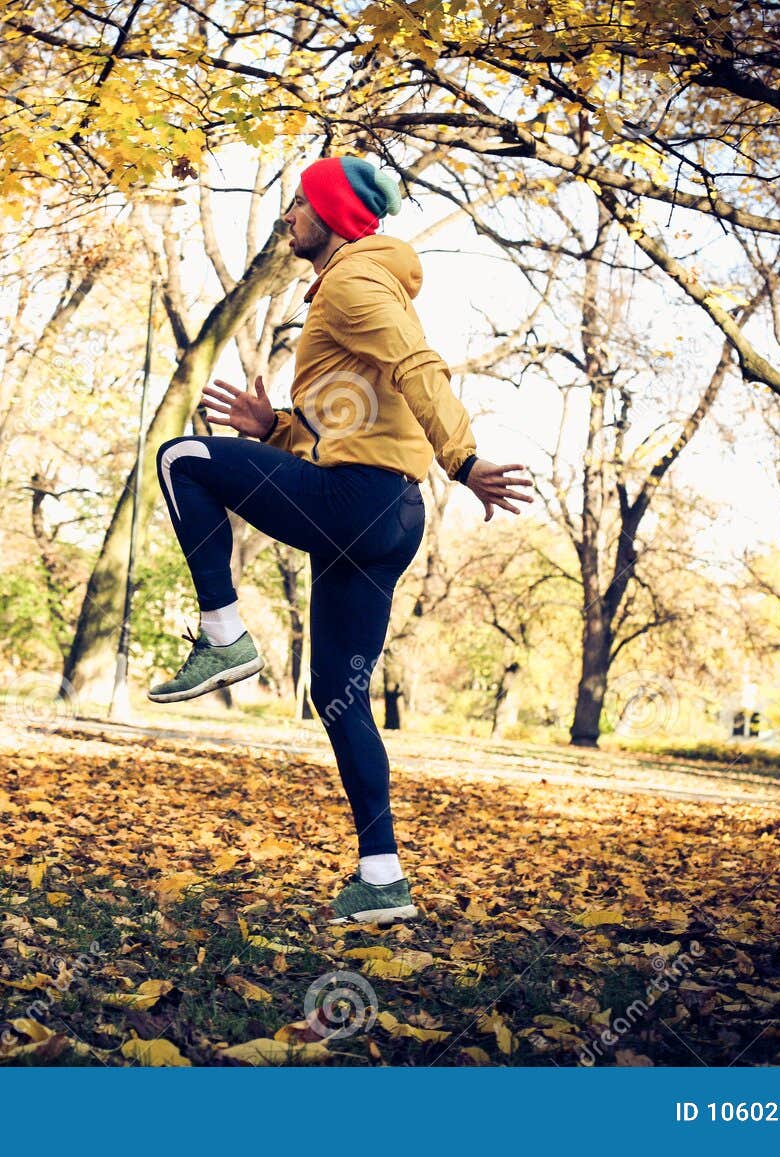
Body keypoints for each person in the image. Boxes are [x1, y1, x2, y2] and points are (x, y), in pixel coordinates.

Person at [149, 155, 533, 924]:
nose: (288, 216)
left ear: (332, 217)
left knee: (182, 459)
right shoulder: (361, 285)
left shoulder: (357, 284)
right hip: (384, 512)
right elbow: (364, 427)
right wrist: (278, 430)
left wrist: (464, 459)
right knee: (340, 694)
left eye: (299, 204)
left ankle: (223, 633)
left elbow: (421, 369)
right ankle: (383, 877)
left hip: (358, 502)